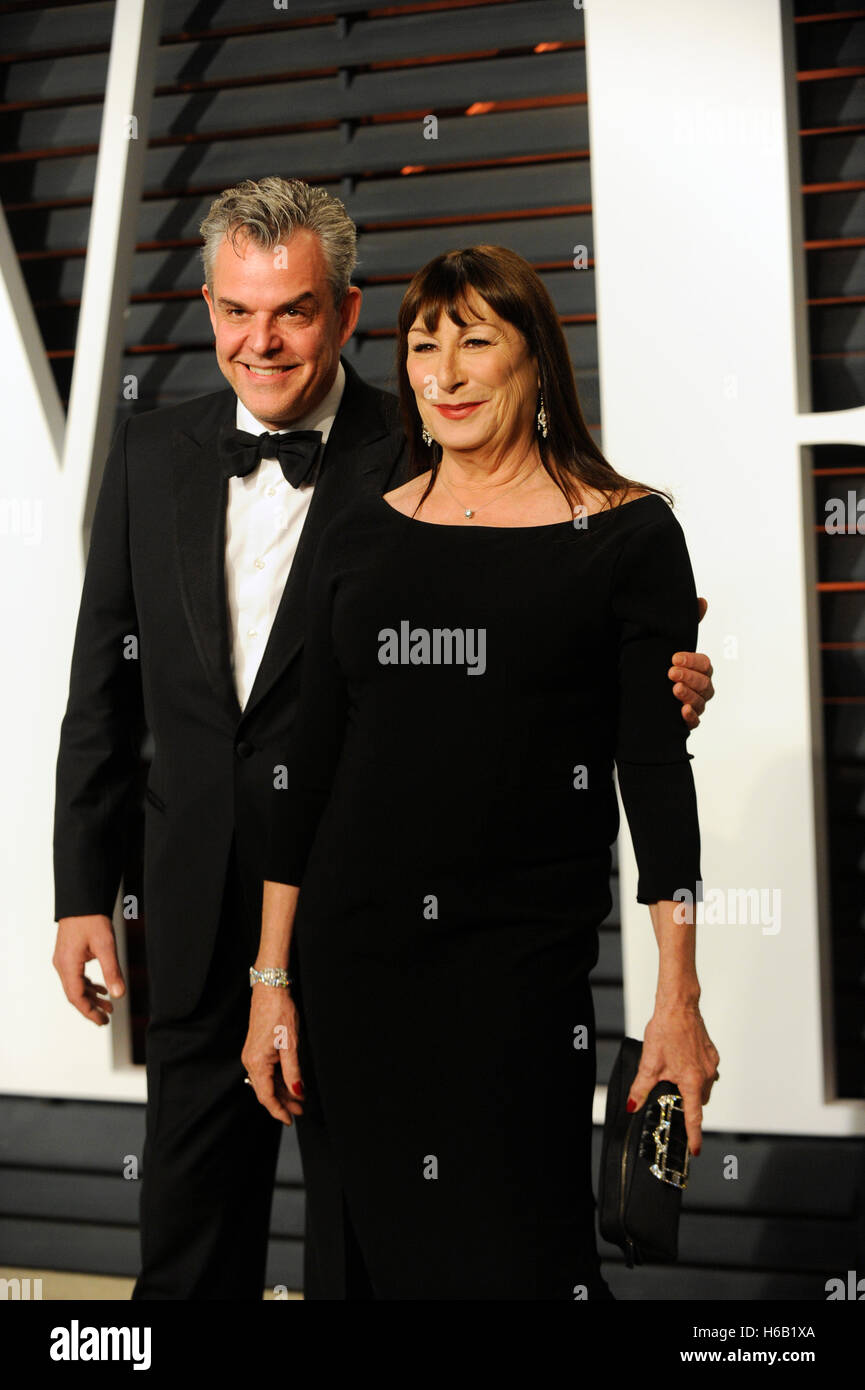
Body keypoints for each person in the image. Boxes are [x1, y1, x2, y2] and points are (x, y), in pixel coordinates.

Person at [51, 177, 714, 1300]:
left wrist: (645, 691)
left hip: (459, 933)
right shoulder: (156, 451)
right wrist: (83, 890)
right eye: (235, 310)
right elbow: (102, 693)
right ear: (208, 306)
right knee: (191, 1239)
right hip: (220, 904)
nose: (260, 341)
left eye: (295, 311)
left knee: (424, 1246)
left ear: (345, 314)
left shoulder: (411, 455)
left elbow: (567, 671)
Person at [245, 244, 720, 1300]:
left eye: (474, 341)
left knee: (525, 1261)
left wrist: (678, 998)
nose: (444, 373)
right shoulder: (360, 525)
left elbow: (655, 773)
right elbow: (306, 767)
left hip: (519, 969)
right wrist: (270, 981)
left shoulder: (629, 532)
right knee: (368, 1264)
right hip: (352, 963)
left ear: (536, 363)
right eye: (422, 345)